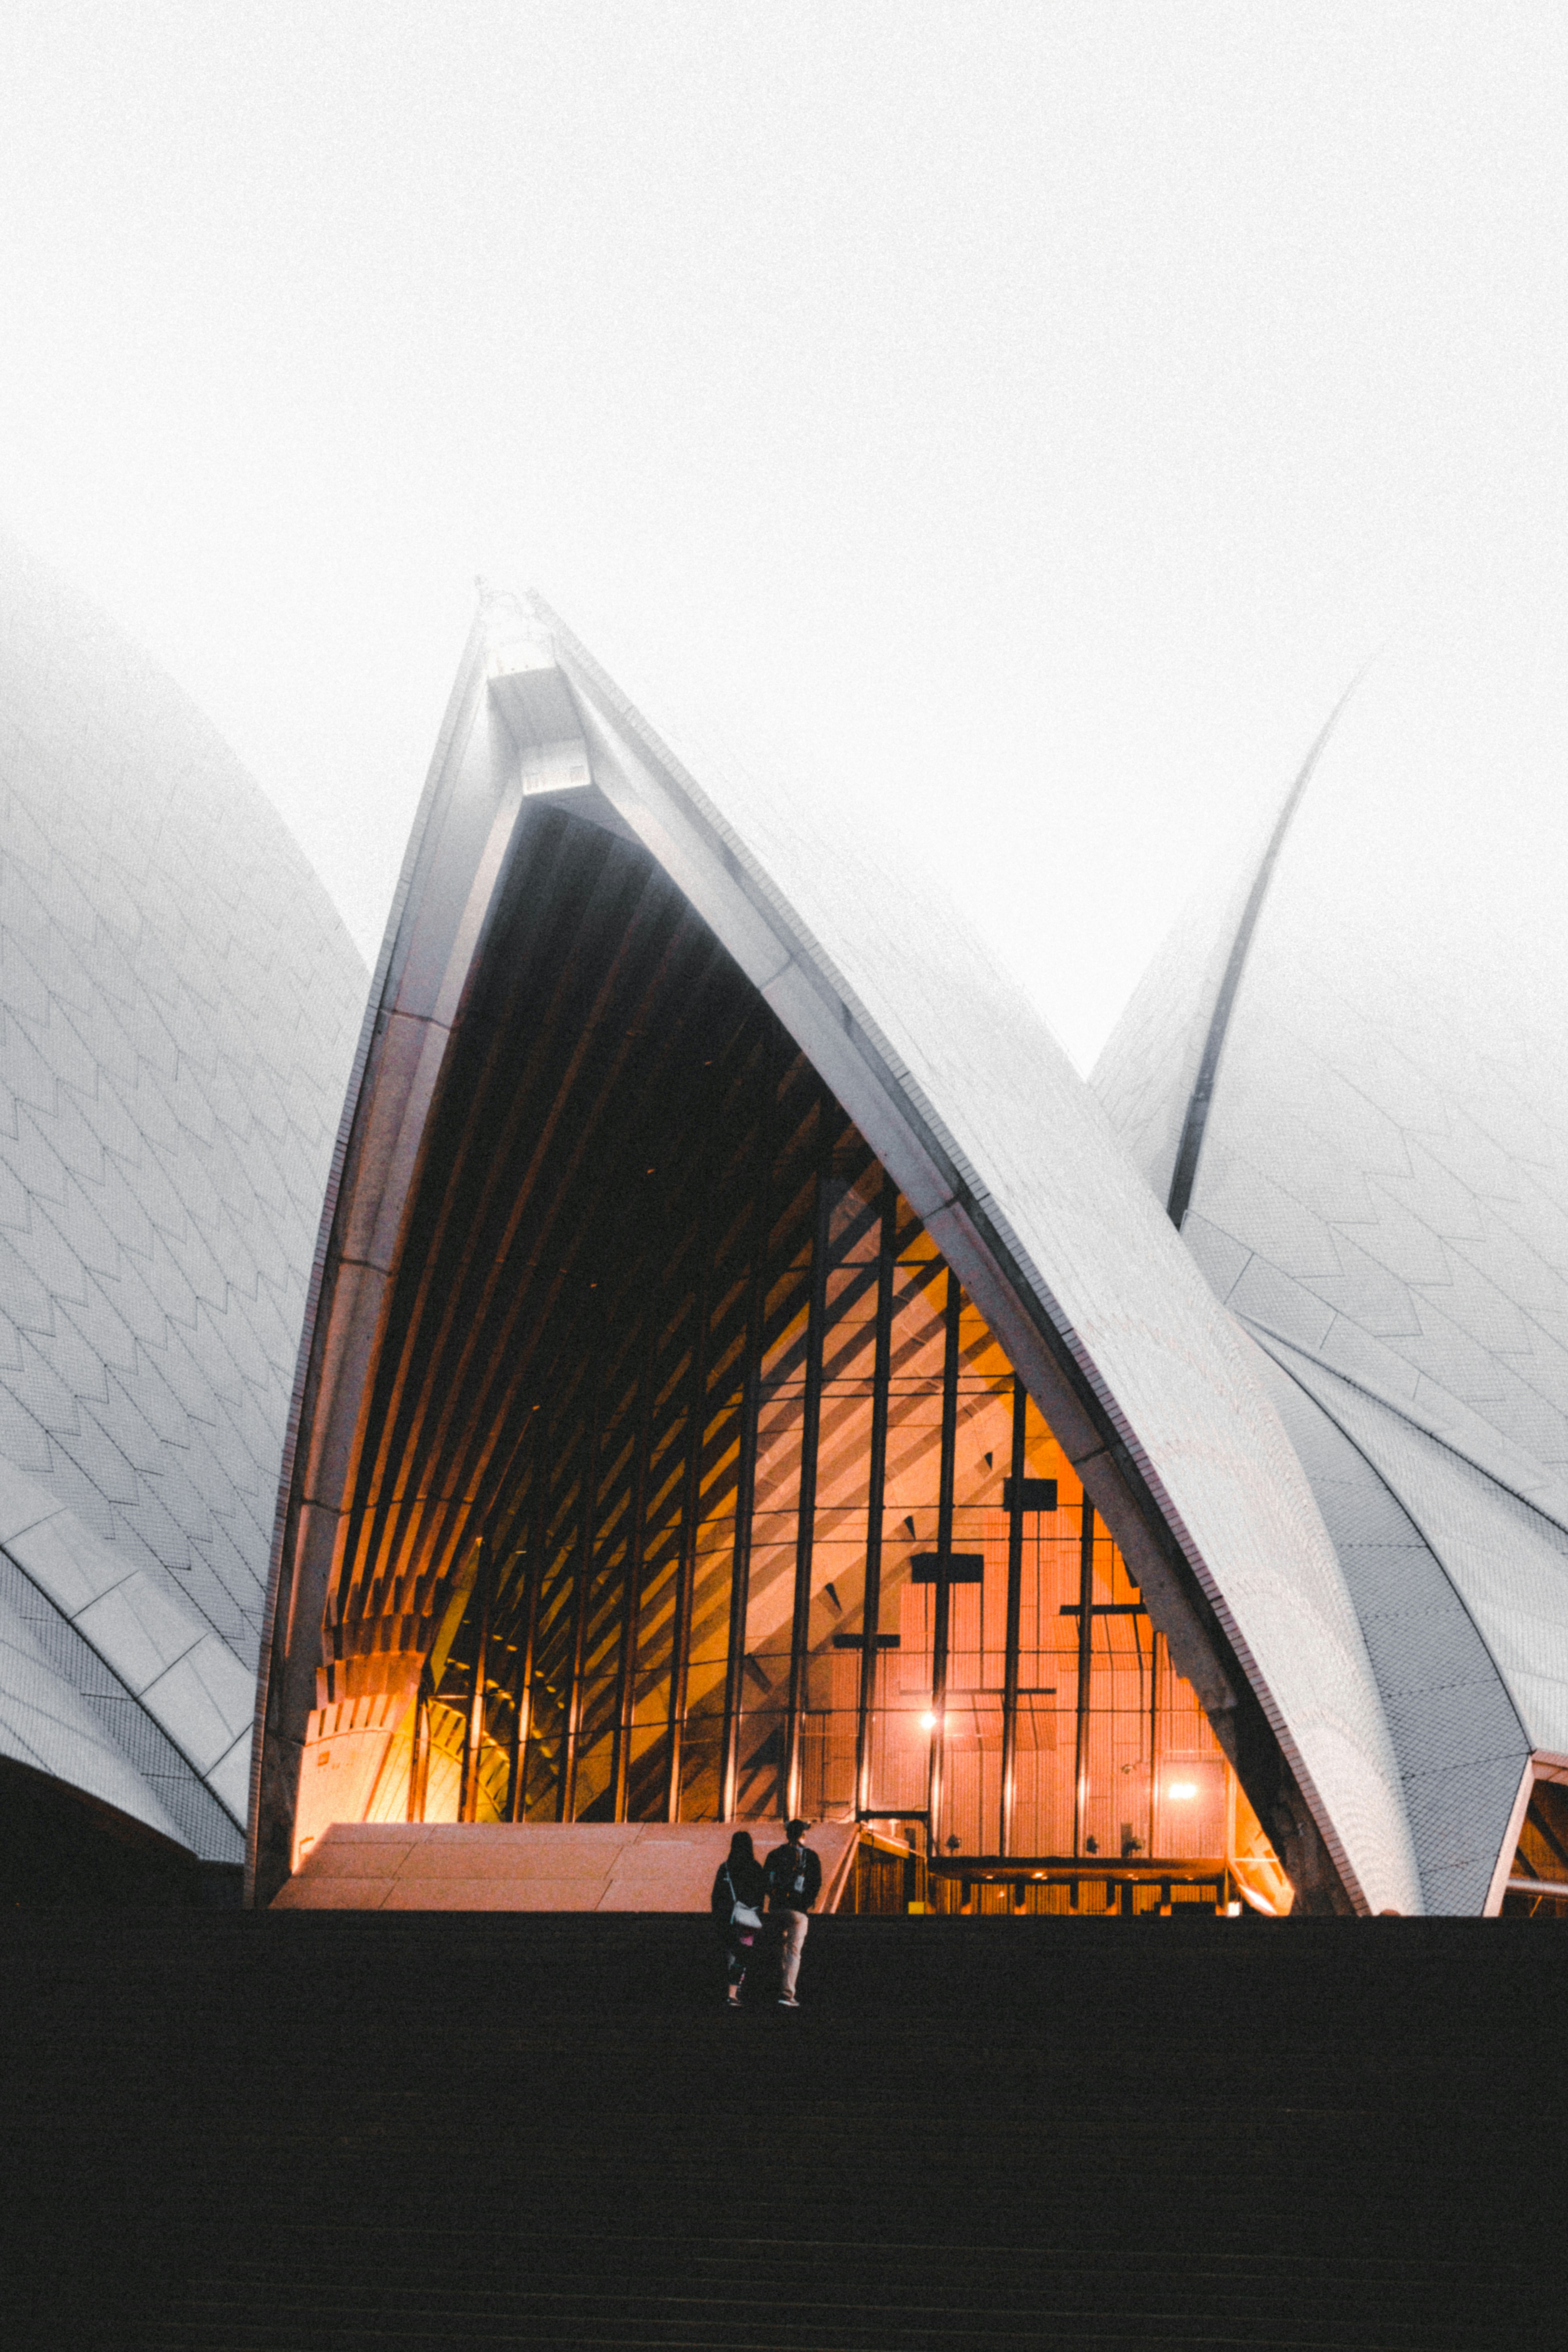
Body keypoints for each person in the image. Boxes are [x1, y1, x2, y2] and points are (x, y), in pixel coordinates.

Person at [763, 1819, 822, 2008]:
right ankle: (787, 1994)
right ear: (803, 1835)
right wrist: (805, 1903)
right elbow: (816, 1884)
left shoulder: (774, 1855)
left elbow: (766, 1881)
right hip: (798, 1912)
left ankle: (772, 1986)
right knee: (793, 1953)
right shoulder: (811, 1857)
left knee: (779, 1949)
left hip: (777, 1909)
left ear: (787, 1834)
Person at [711, 1829, 767, 2006]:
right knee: (742, 1955)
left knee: (732, 1953)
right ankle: (733, 1991)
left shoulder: (726, 1867)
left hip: (728, 1916)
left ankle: (734, 1986)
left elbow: (717, 1894)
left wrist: (719, 1915)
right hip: (748, 1918)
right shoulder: (755, 1867)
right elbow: (760, 1894)